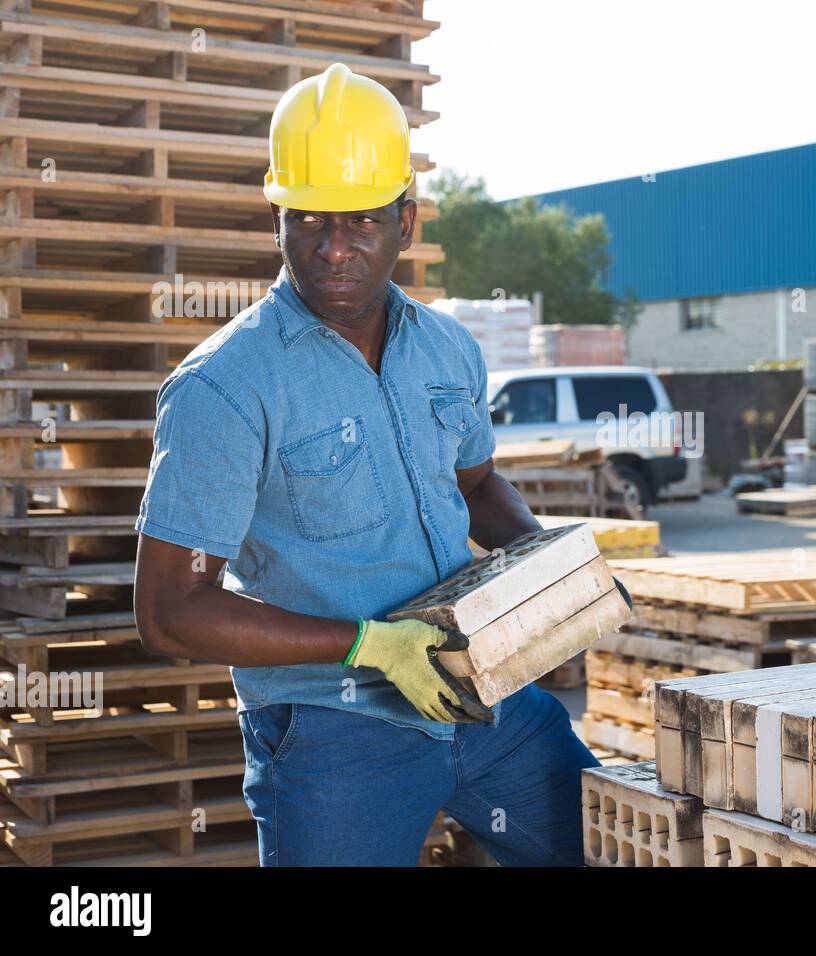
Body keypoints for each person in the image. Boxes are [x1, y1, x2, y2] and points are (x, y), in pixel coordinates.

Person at [133, 62, 618, 866]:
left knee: (609, 854)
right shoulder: (224, 386)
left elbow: (476, 483)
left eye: (361, 221)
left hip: (487, 700)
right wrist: (370, 644)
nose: (333, 250)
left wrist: (547, 569)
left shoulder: (446, 348)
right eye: (309, 221)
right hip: (335, 734)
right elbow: (171, 609)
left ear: (406, 218)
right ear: (277, 221)